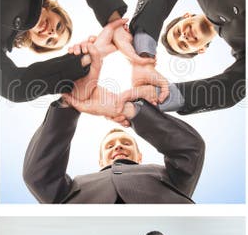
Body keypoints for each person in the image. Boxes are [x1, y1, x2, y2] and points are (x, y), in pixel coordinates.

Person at [22, 33, 205, 203]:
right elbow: (37, 177)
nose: (118, 146)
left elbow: (190, 149)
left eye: (125, 143)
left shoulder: (170, 178)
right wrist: (71, 103)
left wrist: (128, 110)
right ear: (100, 161)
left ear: (140, 156)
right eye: (110, 146)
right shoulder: (71, 187)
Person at [1, 0, 134, 102]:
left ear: (37, 45)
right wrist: (114, 23)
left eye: (50, 41)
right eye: (59, 27)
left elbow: (14, 87)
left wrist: (90, 56)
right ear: (54, 11)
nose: (52, 33)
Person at [128, 0, 245, 115]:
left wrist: (143, 56)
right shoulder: (244, 50)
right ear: (201, 49)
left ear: (186, 16)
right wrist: (163, 97)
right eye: (183, 45)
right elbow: (230, 89)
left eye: (177, 32)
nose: (183, 37)